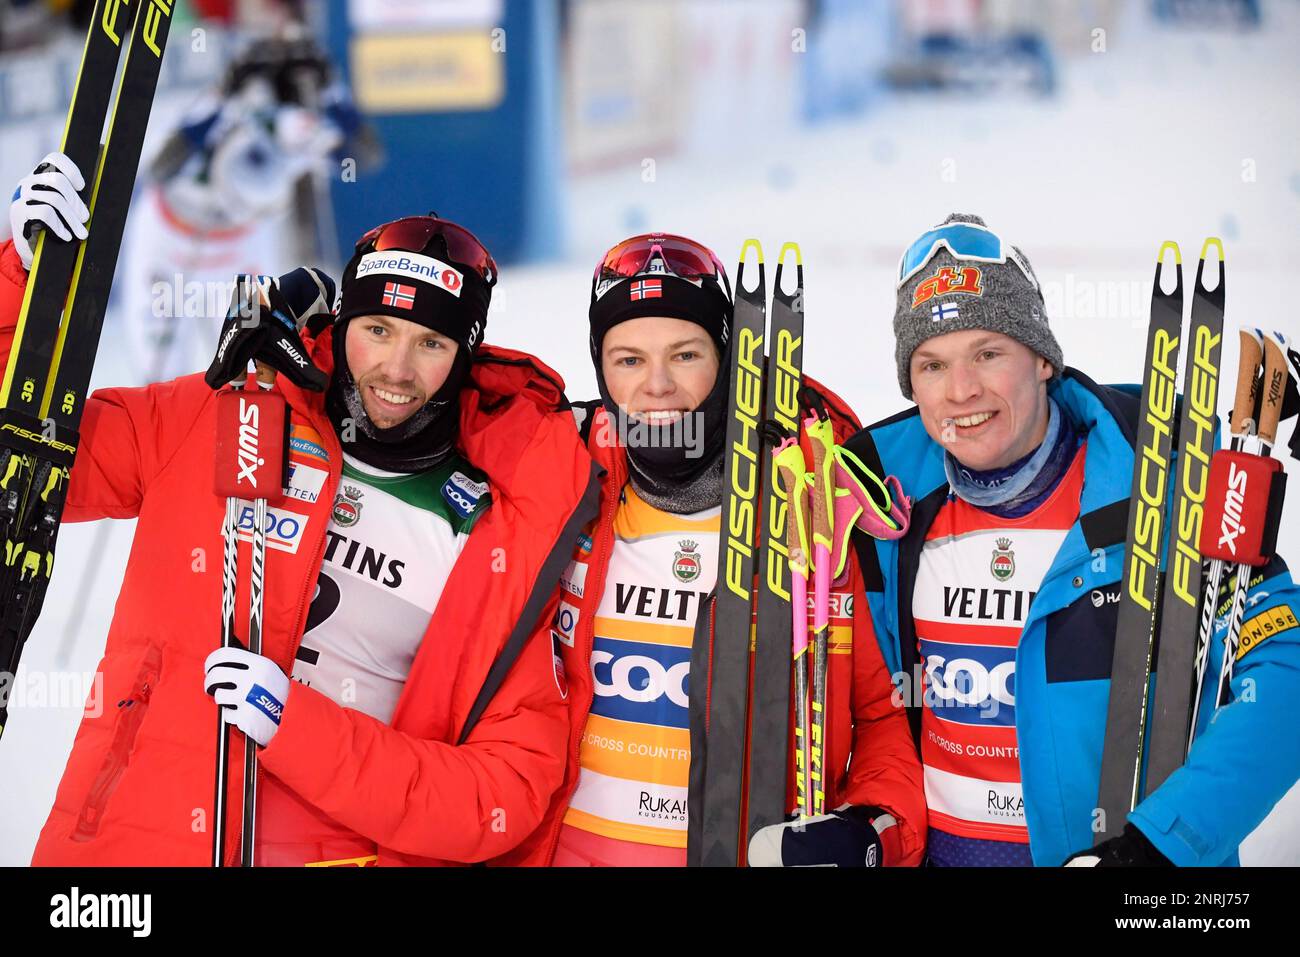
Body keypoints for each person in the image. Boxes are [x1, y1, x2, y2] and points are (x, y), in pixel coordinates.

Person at [2, 155, 596, 866]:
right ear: (341, 323)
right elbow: (24, 459)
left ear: (465, 357)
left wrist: (299, 729)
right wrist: (20, 280)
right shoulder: (221, 414)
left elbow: (502, 791)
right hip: (130, 854)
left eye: (431, 343)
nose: (397, 369)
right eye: (377, 329)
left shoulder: (491, 533)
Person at [841, 212, 1300, 866]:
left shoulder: (1167, 480)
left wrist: (1161, 847)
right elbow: (874, 717)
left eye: (988, 353)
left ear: (1042, 358)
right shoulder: (880, 505)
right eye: (932, 364)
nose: (961, 390)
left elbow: (1287, 671)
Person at [496, 233, 927, 867]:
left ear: (729, 361)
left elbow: (881, 718)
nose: (658, 386)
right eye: (628, 359)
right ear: (600, 369)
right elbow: (410, 393)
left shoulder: (810, 511)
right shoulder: (563, 491)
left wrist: (871, 830)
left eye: (686, 354)